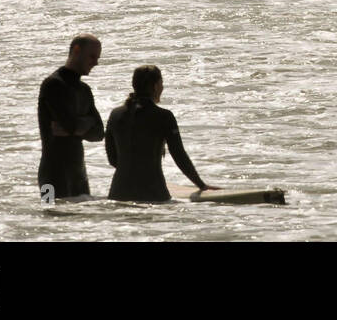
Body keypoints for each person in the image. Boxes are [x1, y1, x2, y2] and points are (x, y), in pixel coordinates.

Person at [105, 65, 213, 202]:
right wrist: (201, 185)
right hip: (153, 193)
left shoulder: (115, 114)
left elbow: (112, 159)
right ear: (156, 86)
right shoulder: (164, 116)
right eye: (162, 84)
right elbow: (179, 155)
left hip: (118, 193)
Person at [38, 35, 104, 200]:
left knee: (79, 225)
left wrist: (80, 125)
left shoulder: (84, 90)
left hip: (79, 176)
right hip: (51, 176)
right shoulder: (53, 84)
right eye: (92, 56)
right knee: (50, 220)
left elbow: (99, 133)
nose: (96, 63)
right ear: (76, 50)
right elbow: (71, 126)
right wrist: (84, 125)